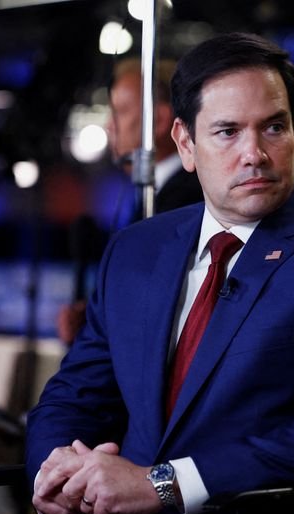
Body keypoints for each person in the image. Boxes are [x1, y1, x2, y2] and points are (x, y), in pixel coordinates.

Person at [27, 32, 294, 514]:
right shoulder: (135, 250)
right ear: (186, 144)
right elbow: (75, 394)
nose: (253, 153)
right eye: (228, 132)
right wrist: (53, 475)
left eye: (273, 127)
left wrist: (164, 485)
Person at [57, 57, 204, 344]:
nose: (109, 125)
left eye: (121, 111)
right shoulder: (155, 194)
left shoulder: (186, 199)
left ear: (160, 120)